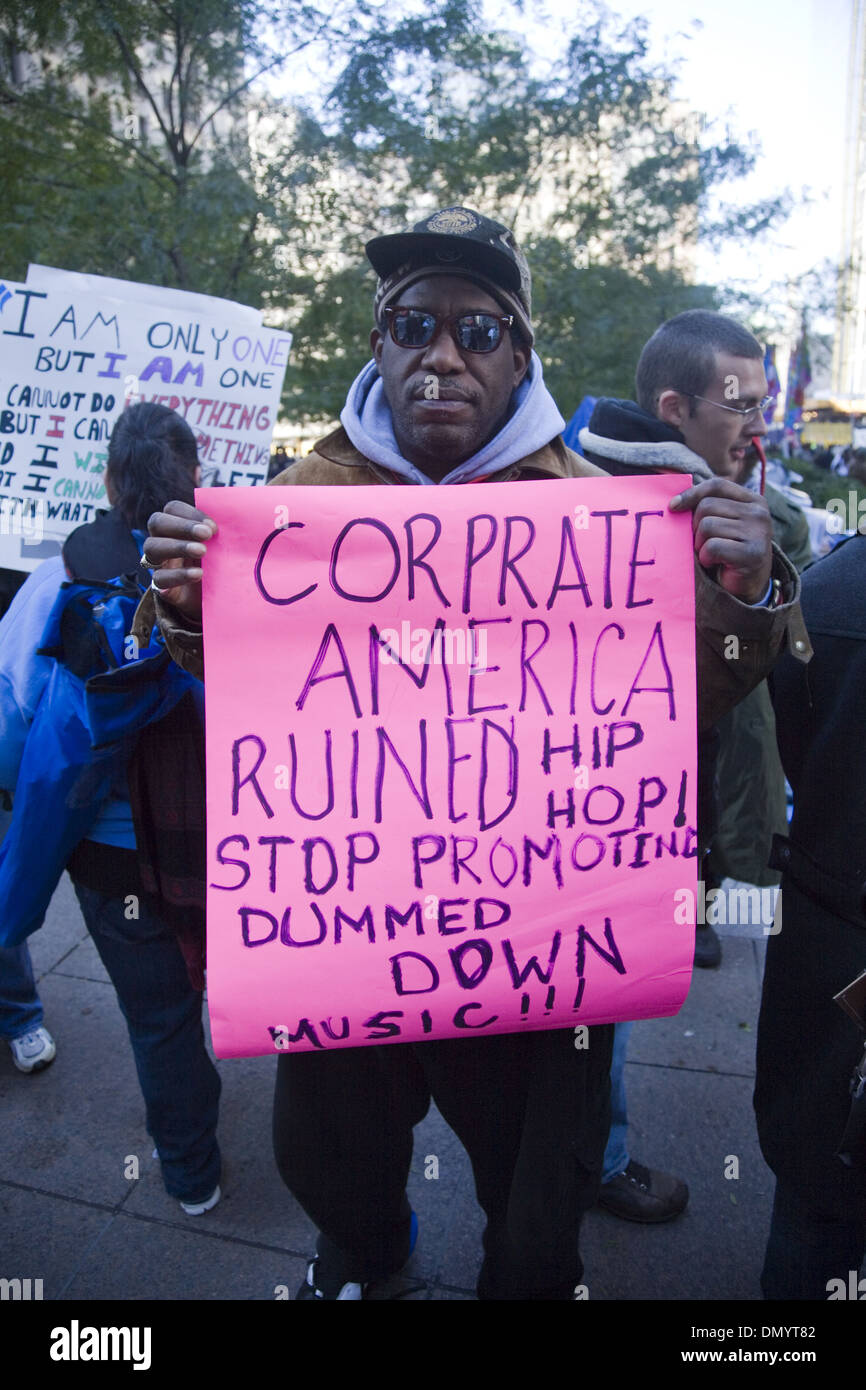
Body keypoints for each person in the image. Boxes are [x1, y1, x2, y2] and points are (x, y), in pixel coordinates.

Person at [144, 209, 807, 1299]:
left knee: (538, 1195)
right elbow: (248, 690)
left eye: (476, 330)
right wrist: (184, 601)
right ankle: (372, 1255)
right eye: (411, 324)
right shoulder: (291, 505)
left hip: (537, 950)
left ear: (520, 356)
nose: (440, 353)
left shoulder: (597, 511)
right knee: (332, 1162)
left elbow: (686, 693)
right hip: (349, 932)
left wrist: (740, 595)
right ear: (378, 346)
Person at [579, 311, 812, 1224]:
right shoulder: (628, 511)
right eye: (738, 404)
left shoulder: (724, 503)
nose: (758, 420)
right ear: (675, 408)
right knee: (599, 1010)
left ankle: (579, 1165)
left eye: (761, 400)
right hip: (605, 820)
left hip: (649, 813)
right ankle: (591, 1164)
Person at [0, 402, 221, 1213]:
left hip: (108, 856)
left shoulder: (60, 578)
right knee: (227, 985)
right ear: (195, 477)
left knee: (158, 1017)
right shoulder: (236, 570)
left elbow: (15, 728)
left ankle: (193, 1175)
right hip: (219, 847)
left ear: (107, 481)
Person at [755, 530, 866, 1299]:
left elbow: (783, 744)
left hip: (831, 924)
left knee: (814, 1190)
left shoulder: (823, 593)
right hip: (832, 925)